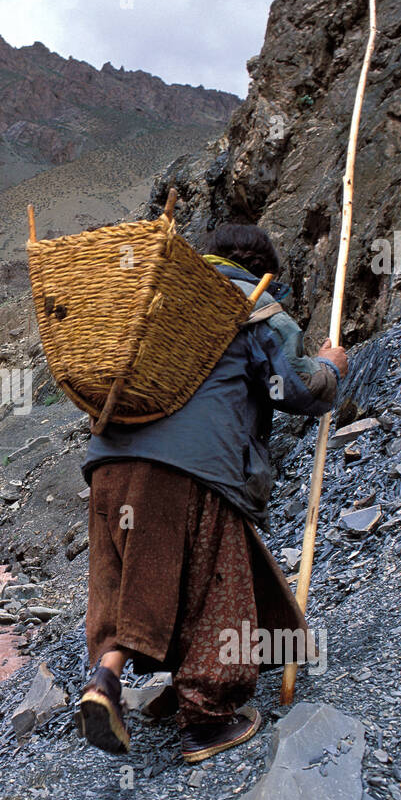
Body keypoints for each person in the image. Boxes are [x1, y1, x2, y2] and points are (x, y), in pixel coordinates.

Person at [76, 222, 348, 764]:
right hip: (190, 469)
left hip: (108, 465)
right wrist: (331, 368)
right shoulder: (251, 305)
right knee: (216, 588)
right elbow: (295, 389)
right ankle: (205, 720)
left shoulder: (156, 298)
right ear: (262, 269)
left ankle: (105, 679)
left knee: (129, 576)